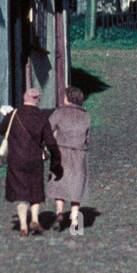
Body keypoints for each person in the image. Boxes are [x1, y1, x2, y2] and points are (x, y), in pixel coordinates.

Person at [0, 88, 62, 237]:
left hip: (16, 159)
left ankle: (23, 226)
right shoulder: (42, 117)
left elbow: (1, 130)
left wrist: (6, 117)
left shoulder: (14, 115)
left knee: (21, 193)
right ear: (37, 100)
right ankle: (34, 218)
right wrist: (56, 159)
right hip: (35, 159)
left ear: (23, 97)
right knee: (35, 190)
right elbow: (50, 142)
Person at [46, 85, 91, 235]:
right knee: (76, 184)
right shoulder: (86, 116)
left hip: (61, 151)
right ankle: (75, 219)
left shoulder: (59, 113)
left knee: (60, 182)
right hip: (79, 153)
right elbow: (87, 138)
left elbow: (48, 129)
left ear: (68, 98)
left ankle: (59, 214)